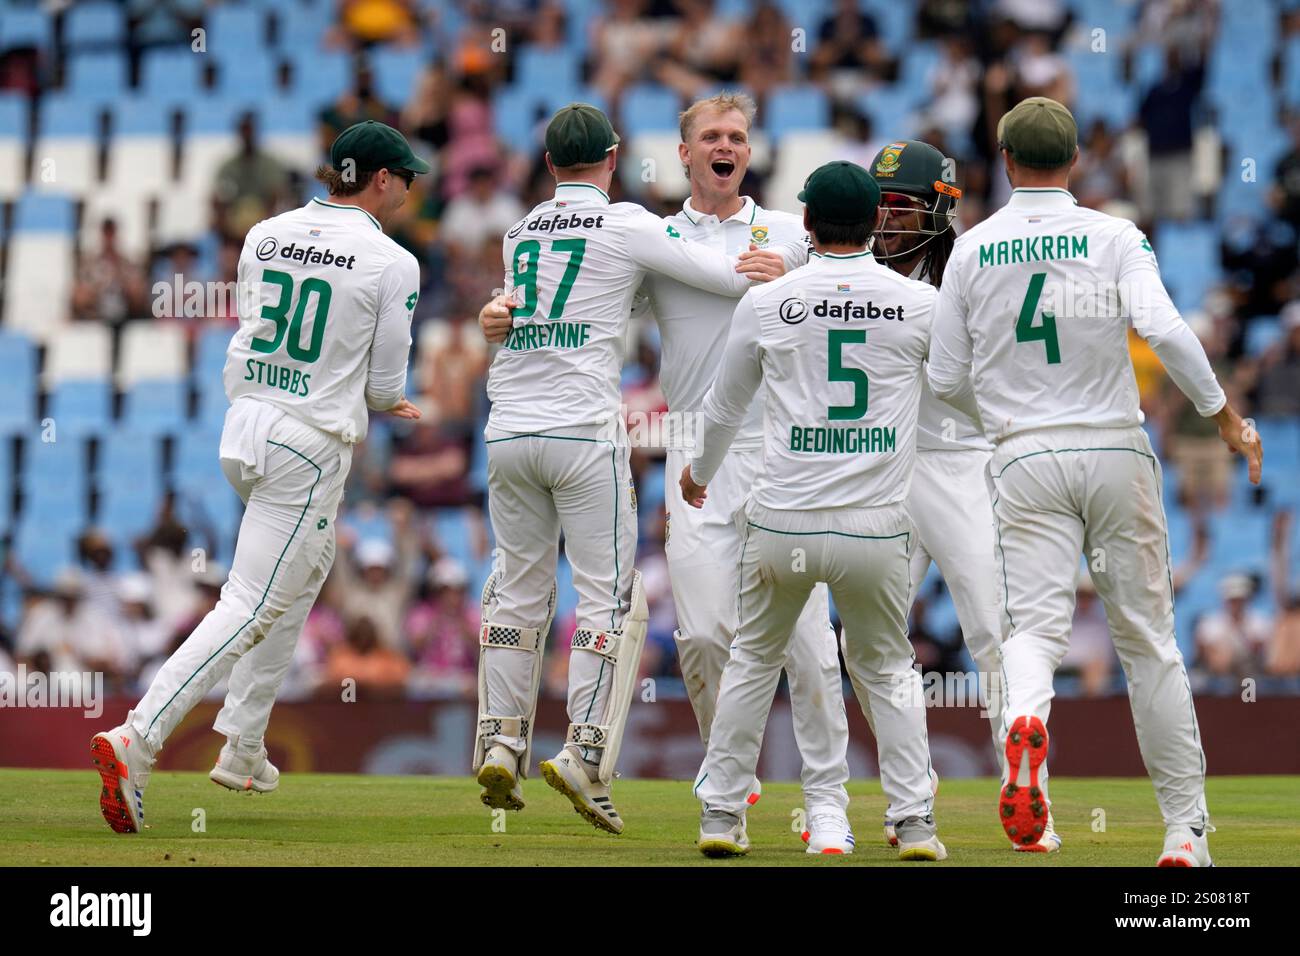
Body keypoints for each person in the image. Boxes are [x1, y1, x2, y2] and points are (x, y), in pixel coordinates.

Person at [477, 93, 850, 847]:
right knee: (707, 636)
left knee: (808, 639)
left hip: (784, 449)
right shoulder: (654, 236)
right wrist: (502, 313)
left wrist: (797, 270)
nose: (727, 145)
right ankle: (730, 781)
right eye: (711, 135)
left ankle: (830, 803)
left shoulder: (788, 231)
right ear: (682, 153)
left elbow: (852, 287)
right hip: (692, 446)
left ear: (750, 150)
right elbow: (571, 294)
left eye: (738, 136)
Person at [927, 97, 1263, 866]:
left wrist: (1008, 417)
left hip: (1023, 457)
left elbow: (944, 378)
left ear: (1006, 161)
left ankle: (1027, 734)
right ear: (1076, 160)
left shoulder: (972, 249)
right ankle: (1184, 835)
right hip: (1113, 447)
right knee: (1149, 646)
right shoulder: (1113, 236)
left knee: (1033, 635)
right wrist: (1222, 418)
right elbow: (1170, 331)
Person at [90, 120, 428, 833]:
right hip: (309, 445)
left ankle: (243, 745)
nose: (407, 192)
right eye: (404, 180)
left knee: (308, 565)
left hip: (245, 427)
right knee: (248, 602)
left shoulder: (267, 233)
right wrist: (387, 399)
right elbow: (381, 385)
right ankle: (137, 739)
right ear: (381, 180)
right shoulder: (393, 261)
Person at [680, 161, 947, 861]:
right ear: (872, 228)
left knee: (751, 663)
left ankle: (721, 815)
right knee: (888, 669)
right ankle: (913, 820)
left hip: (784, 520)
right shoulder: (920, 305)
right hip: (875, 525)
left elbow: (726, 406)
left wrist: (698, 474)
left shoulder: (768, 302)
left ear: (805, 224)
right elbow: (959, 396)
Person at [866, 138, 1041, 847]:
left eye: (901, 208)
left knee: (993, 632)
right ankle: (913, 784)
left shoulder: (969, 269)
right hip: (881, 469)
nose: (885, 222)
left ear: (940, 209)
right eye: (878, 206)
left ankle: (1026, 788)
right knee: (870, 642)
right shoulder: (851, 266)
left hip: (961, 464)